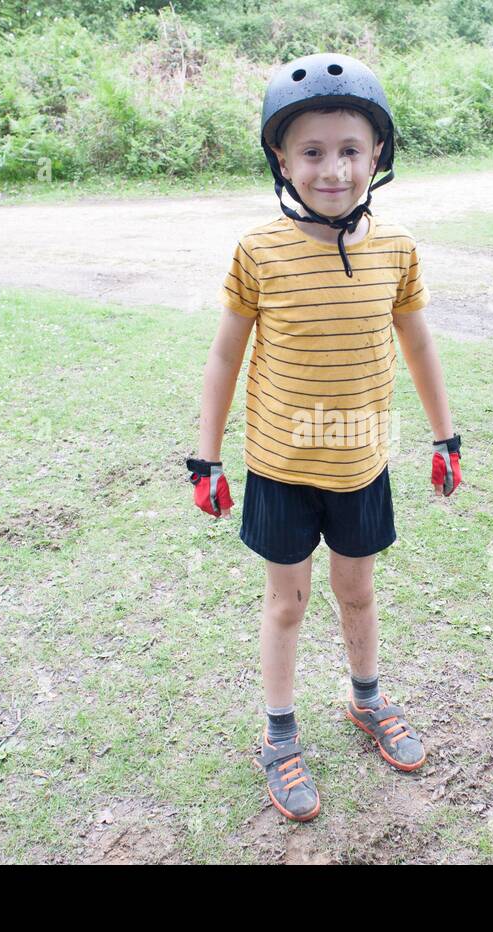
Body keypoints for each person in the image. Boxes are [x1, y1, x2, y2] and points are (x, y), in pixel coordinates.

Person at [186, 52, 463, 822]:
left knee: (358, 590)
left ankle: (365, 699)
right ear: (282, 158)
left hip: (361, 464)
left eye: (350, 150)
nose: (333, 168)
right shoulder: (259, 252)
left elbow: (420, 346)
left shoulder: (397, 249)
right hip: (279, 467)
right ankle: (280, 736)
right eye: (312, 151)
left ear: (378, 156)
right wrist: (204, 456)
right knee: (286, 603)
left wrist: (447, 438)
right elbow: (223, 355)